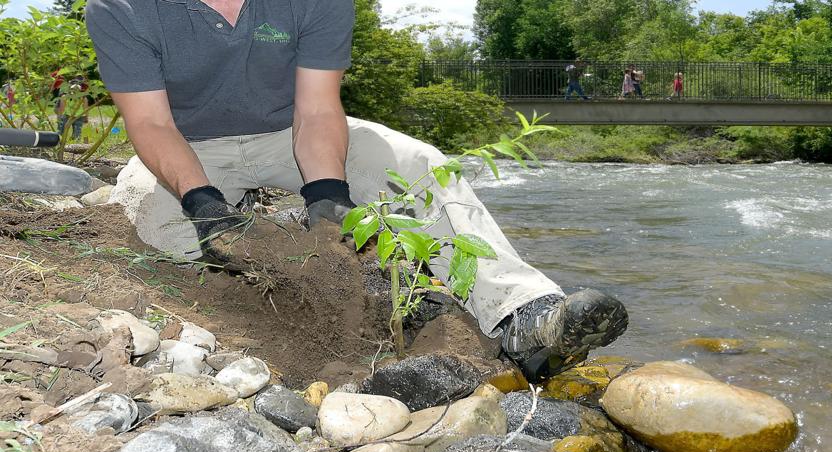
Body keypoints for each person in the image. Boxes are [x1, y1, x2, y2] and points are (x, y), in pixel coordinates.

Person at [84, 0, 627, 381]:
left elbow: (318, 107)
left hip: (289, 131)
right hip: (187, 141)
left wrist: (327, 193)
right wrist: (202, 202)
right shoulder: (121, 7)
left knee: (418, 165)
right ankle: (298, 273)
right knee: (157, 223)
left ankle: (522, 314)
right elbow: (151, 124)